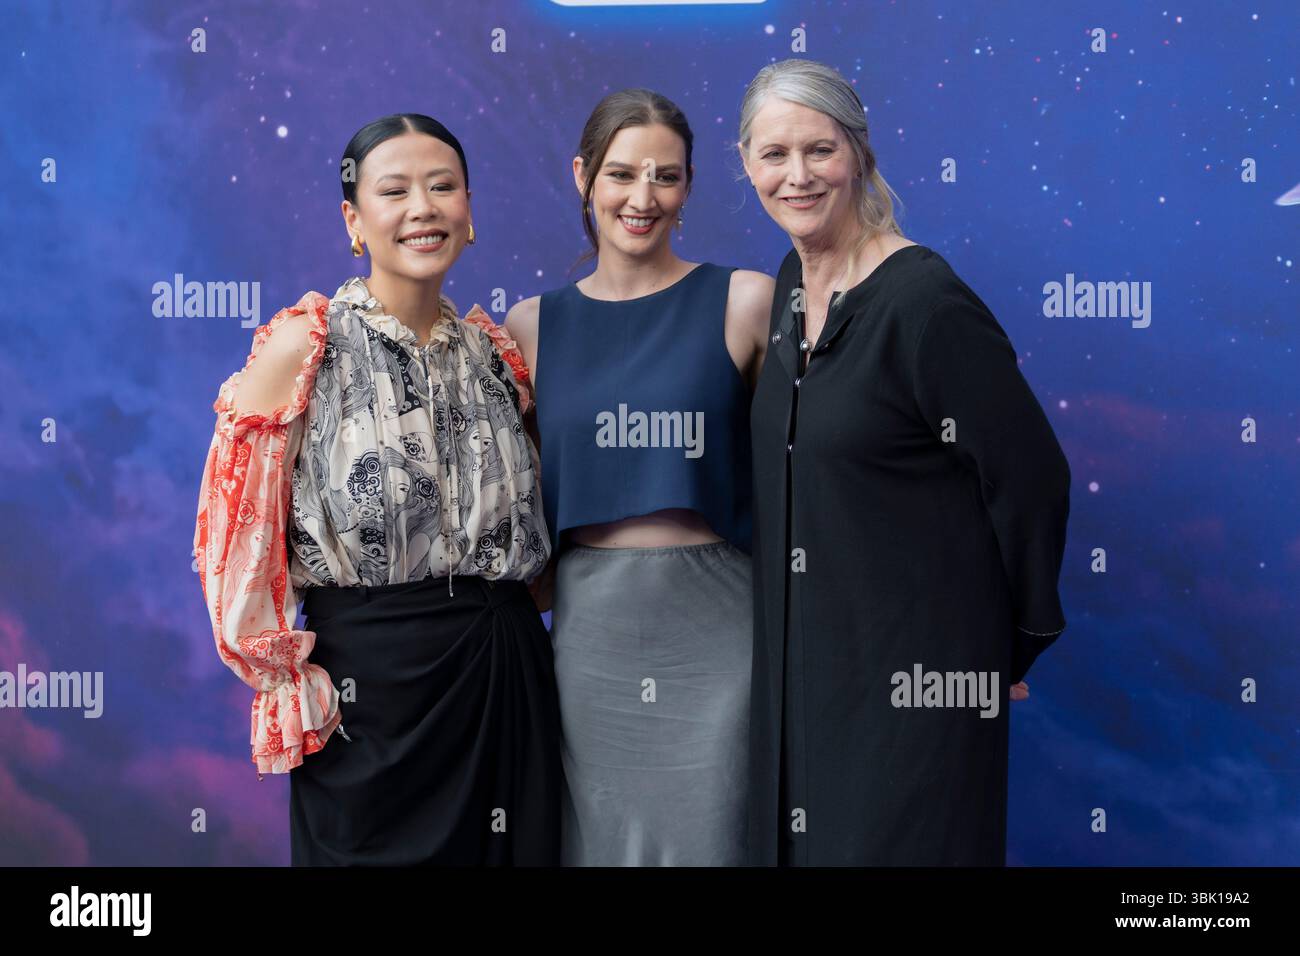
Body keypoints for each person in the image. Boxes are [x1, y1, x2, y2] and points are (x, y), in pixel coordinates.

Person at [193, 113, 560, 865]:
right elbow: (235, 541)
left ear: (469, 208)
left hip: (502, 676)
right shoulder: (307, 347)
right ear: (354, 220)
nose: (423, 207)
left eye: (443, 187)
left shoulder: (499, 357)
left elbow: (540, 535)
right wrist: (286, 678)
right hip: (370, 694)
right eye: (394, 191)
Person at [738, 59, 1071, 865]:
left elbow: (1030, 477)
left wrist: (1006, 645)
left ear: (859, 154)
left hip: (912, 694)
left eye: (819, 150)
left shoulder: (925, 303)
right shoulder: (789, 286)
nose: (798, 175)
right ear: (745, 162)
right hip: (805, 686)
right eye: (774, 154)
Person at [504, 89, 773, 865]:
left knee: (714, 838)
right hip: (591, 634)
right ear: (583, 176)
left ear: (688, 187)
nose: (642, 197)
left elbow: (820, 465)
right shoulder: (531, 324)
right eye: (622, 174)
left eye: (667, 176)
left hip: (719, 630)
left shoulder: (746, 300)